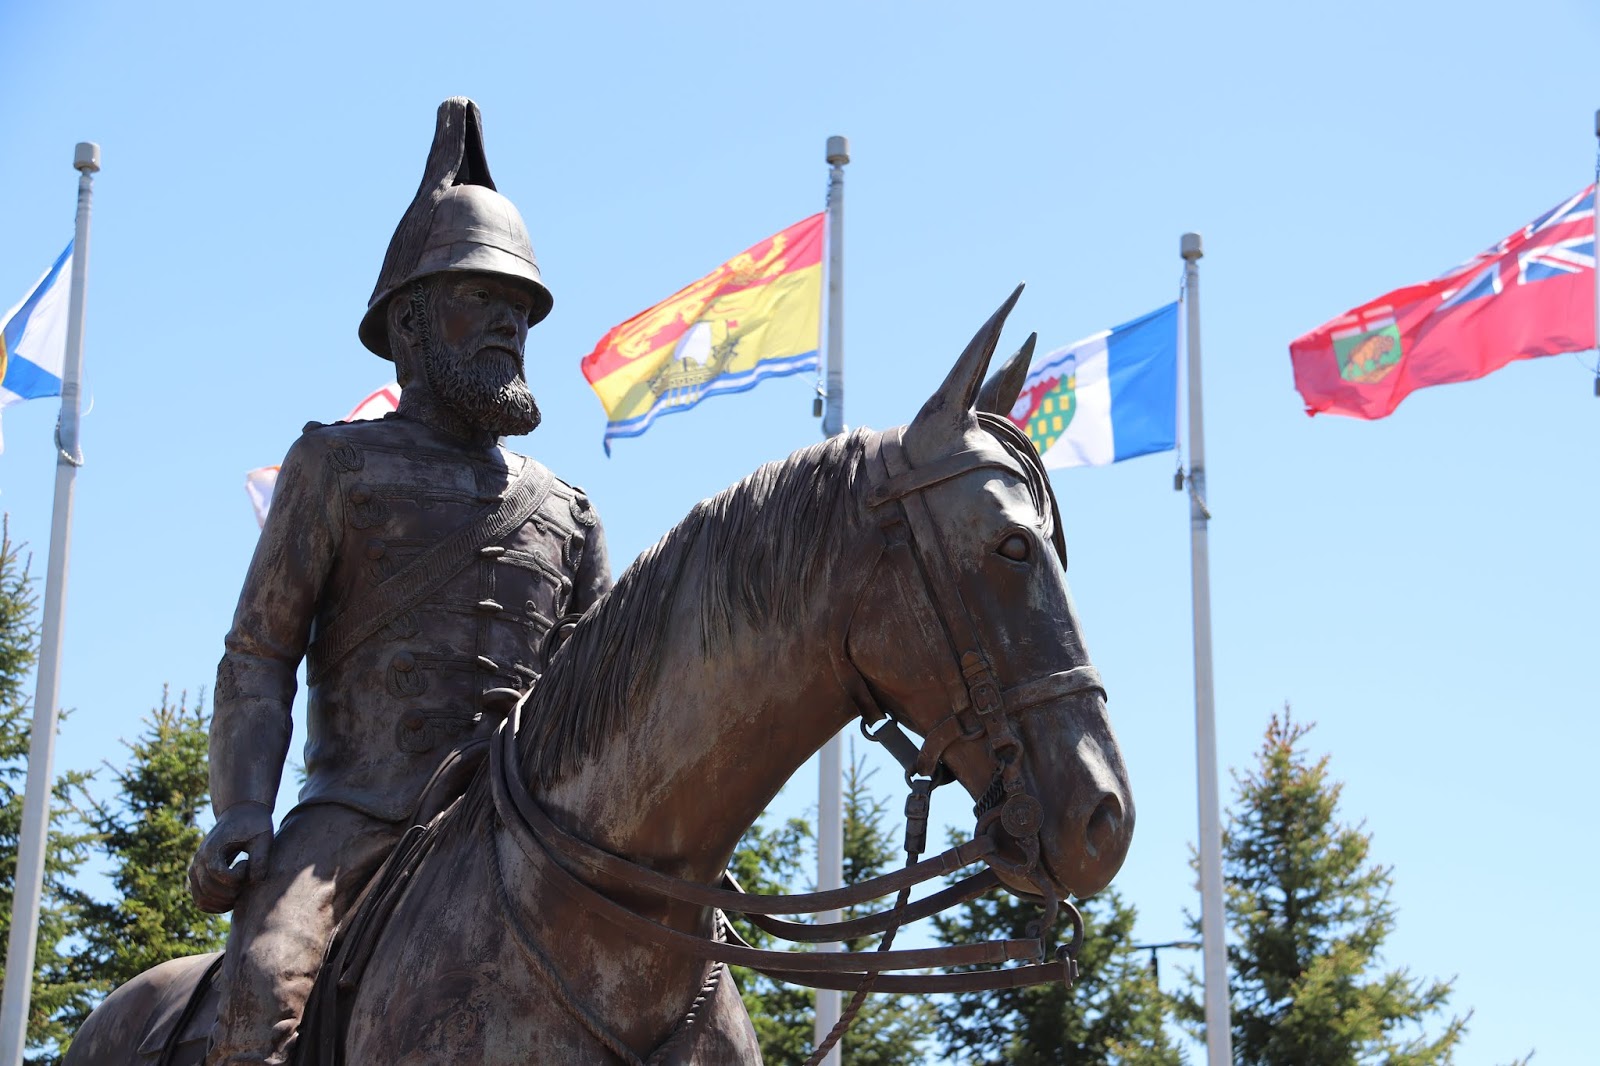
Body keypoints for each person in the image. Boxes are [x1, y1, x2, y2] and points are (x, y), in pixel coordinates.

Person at [186, 97, 610, 1065]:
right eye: (481, 295)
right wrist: (244, 804)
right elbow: (258, 652)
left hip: (525, 828)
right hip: (358, 816)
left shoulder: (569, 511)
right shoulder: (335, 466)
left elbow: (602, 695)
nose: (510, 318)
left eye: (522, 305)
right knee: (259, 992)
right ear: (411, 324)